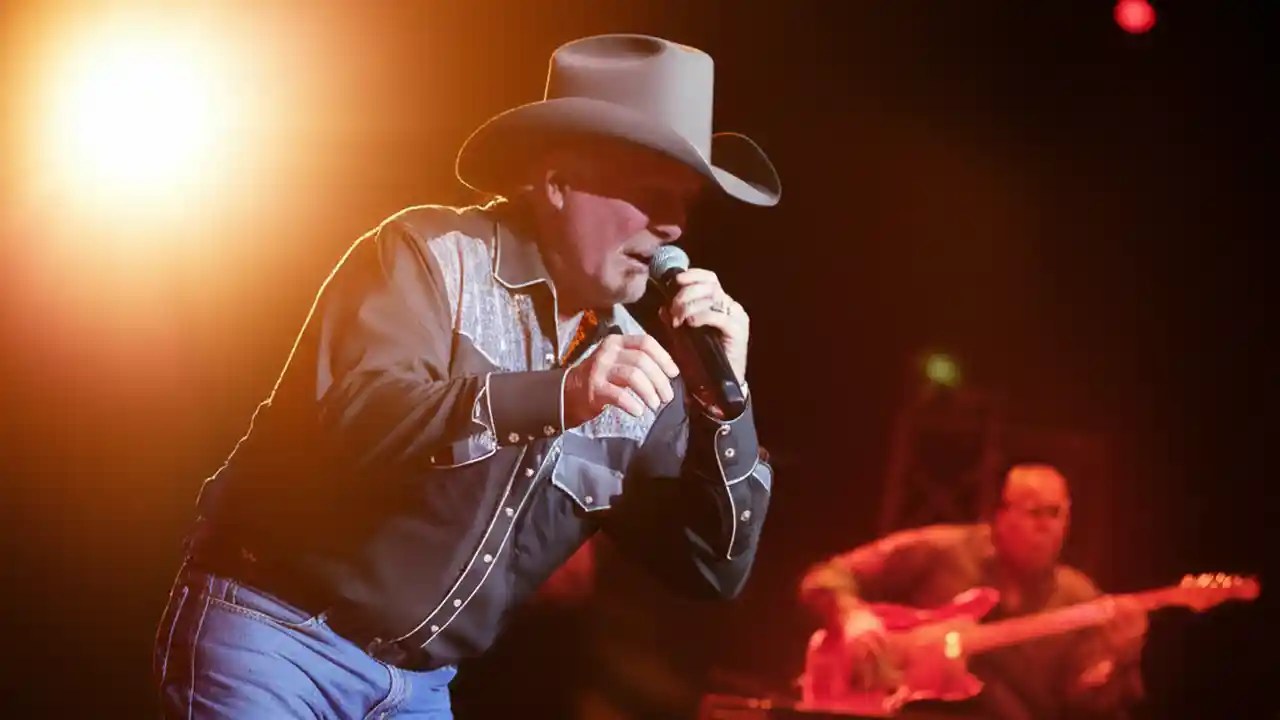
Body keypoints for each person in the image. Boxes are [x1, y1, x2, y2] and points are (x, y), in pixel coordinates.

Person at [153, 33, 780, 719]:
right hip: (276, 637)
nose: (672, 226)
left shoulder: (641, 370)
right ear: (558, 183)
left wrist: (727, 405)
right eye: (648, 193)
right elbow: (359, 416)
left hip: (417, 688)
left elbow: (712, 566)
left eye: (684, 203)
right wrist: (557, 394)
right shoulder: (429, 258)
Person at [798, 463, 1148, 720]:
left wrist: (1119, 659)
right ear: (1000, 514)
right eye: (1033, 512)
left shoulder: (1080, 598)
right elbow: (828, 576)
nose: (1046, 526)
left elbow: (1084, 701)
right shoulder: (943, 551)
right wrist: (853, 616)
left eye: (1056, 514)